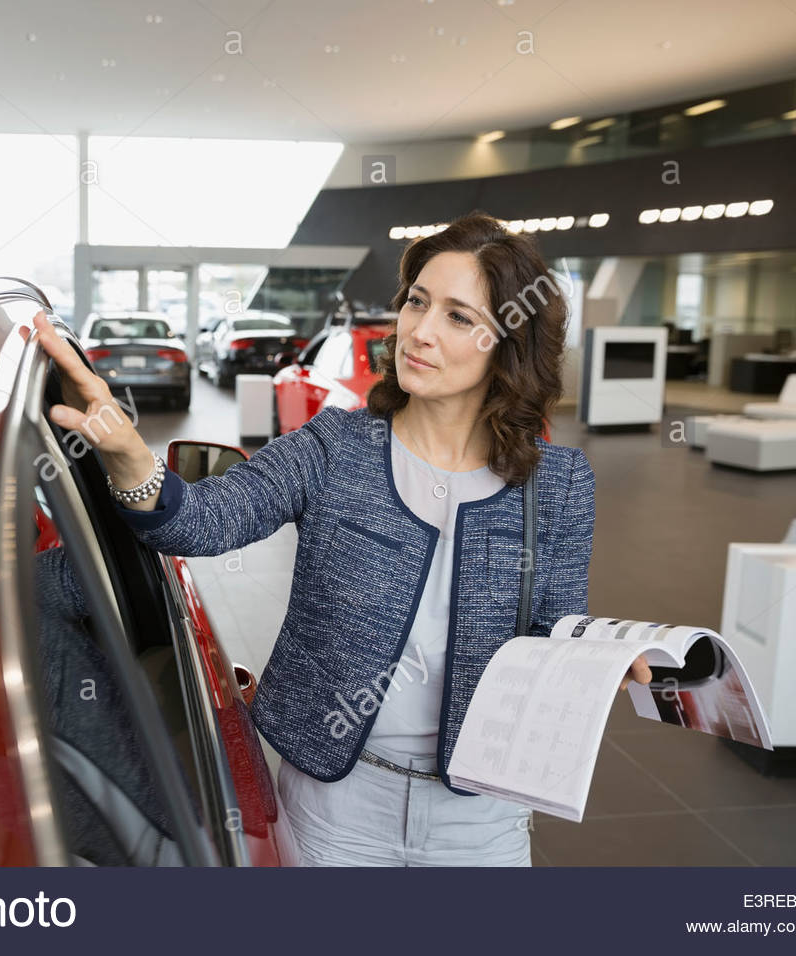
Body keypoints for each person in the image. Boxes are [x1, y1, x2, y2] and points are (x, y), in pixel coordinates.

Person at [32, 210, 651, 867]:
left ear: (507, 343)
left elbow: (557, 625)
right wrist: (129, 457)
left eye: (458, 317)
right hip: (338, 807)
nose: (419, 331)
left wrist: (600, 660)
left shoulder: (557, 484)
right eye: (417, 302)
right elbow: (204, 521)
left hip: (484, 819)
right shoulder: (336, 447)